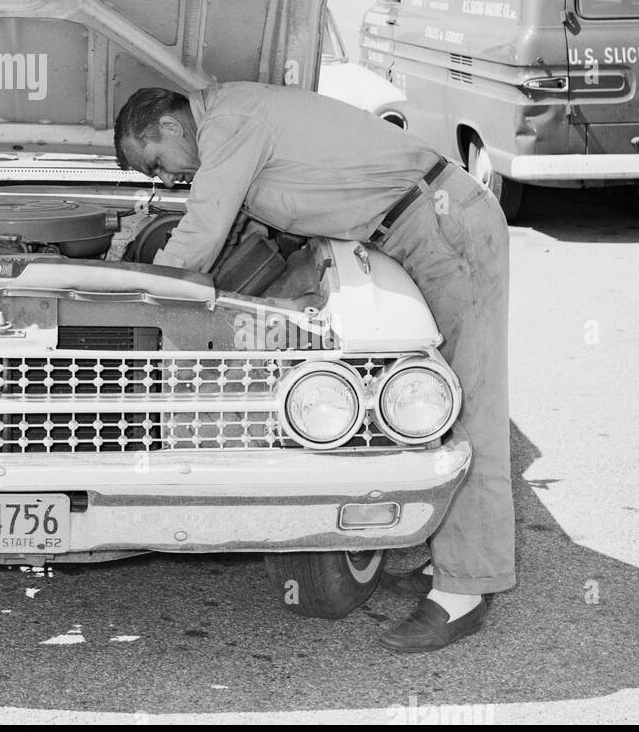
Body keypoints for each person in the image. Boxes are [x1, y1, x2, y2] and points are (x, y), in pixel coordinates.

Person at [113, 82, 514, 652]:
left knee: (468, 402)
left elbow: (201, 235)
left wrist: (132, 290)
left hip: (441, 226)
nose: (168, 180)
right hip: (412, 225)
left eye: (157, 165)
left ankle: (466, 591)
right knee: (432, 407)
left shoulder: (230, 121)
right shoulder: (233, 117)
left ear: (172, 127)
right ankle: (450, 553)